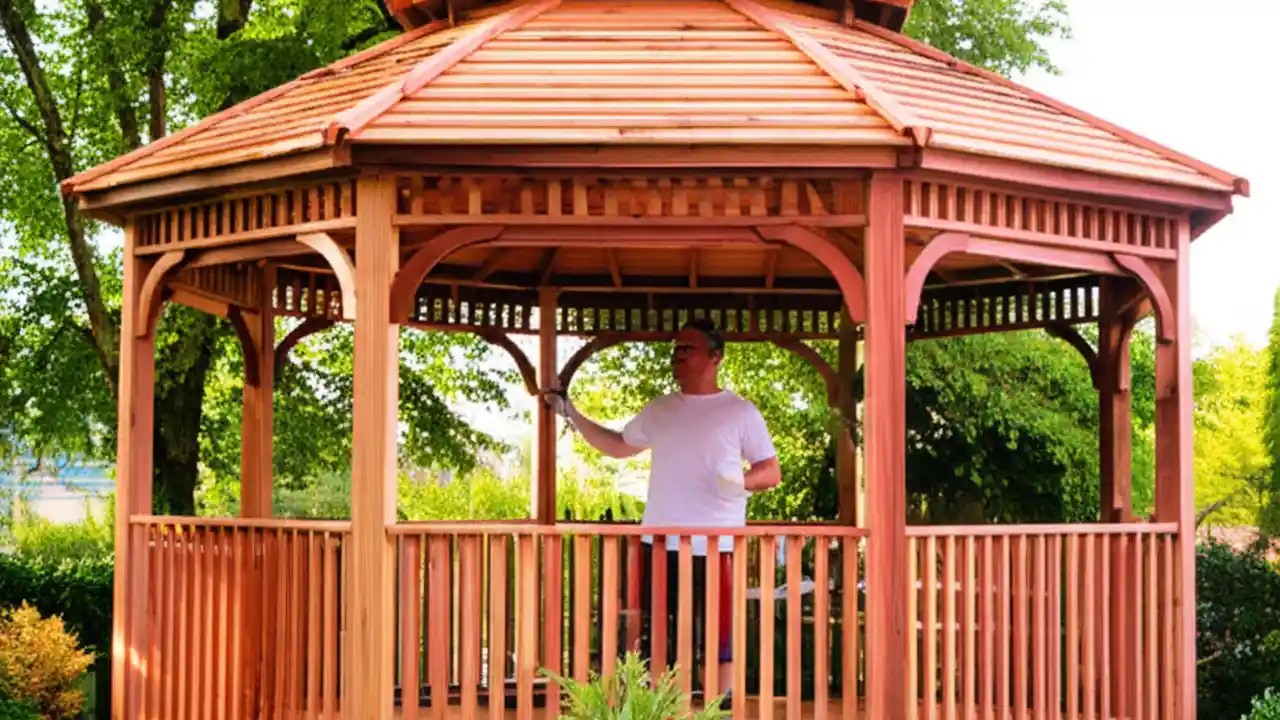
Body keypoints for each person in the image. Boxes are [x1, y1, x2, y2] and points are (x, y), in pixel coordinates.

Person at [543, 319, 780, 700]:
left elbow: (770, 472)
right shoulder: (661, 409)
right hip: (658, 542)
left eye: (688, 348)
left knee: (718, 639)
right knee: (652, 634)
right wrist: (570, 412)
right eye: (676, 348)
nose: (678, 355)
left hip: (718, 546)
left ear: (715, 357)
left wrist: (741, 482)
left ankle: (717, 710)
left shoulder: (740, 412)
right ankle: (657, 709)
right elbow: (619, 445)